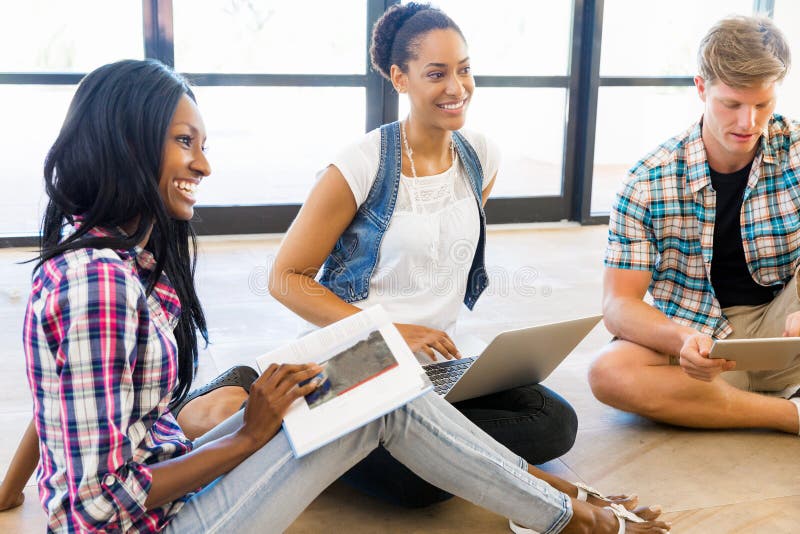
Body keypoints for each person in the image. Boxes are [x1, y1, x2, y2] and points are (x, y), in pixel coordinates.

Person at [1, 59, 670, 534]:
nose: (204, 166)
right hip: (150, 523)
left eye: (203, 145)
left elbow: (64, 405)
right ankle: (569, 515)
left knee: (376, 379)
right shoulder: (100, 286)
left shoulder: (118, 262)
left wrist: (10, 485)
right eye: (183, 143)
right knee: (385, 404)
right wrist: (248, 438)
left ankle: (560, 507)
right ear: (124, 143)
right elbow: (97, 503)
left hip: (169, 473)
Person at [266, 2, 579, 508]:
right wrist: (388, 332)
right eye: (436, 74)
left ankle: (426, 449)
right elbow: (285, 278)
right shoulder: (359, 164)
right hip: (357, 360)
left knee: (554, 420)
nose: (456, 88)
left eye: (464, 69)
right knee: (418, 486)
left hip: (433, 368)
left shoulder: (480, 157)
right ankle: (366, 440)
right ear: (400, 77)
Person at [588, 15, 800, 436]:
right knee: (608, 372)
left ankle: (727, 405)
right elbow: (618, 306)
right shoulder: (648, 180)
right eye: (732, 104)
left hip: (788, 325)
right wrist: (683, 340)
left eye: (762, 105)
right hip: (706, 343)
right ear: (701, 88)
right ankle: (788, 415)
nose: (748, 123)